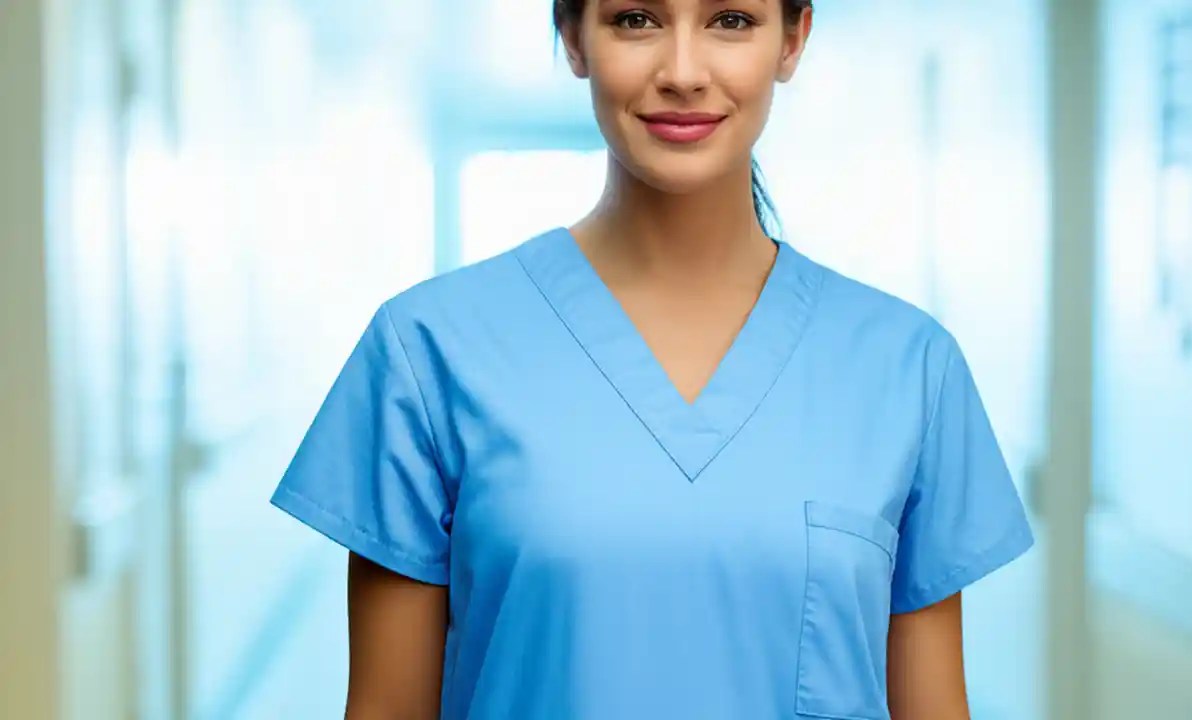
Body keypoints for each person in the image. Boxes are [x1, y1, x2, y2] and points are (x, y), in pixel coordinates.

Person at [269, 1, 1035, 718]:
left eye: (730, 20)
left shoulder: (907, 368)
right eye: (635, 18)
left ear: (793, 39)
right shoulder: (429, 351)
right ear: (574, 38)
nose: (683, 70)